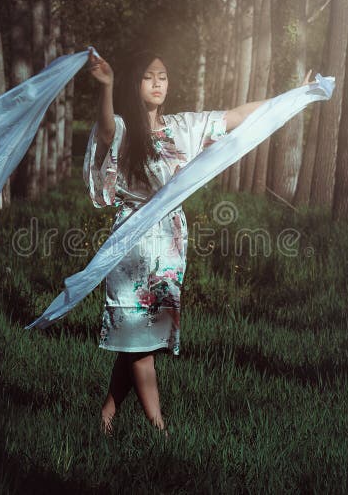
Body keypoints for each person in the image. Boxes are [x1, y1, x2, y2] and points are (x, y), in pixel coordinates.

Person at [85, 48, 312, 437]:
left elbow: (238, 115)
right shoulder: (123, 128)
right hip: (132, 244)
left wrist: (291, 96)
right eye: (148, 77)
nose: (157, 83)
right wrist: (105, 88)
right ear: (134, 84)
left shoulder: (182, 127)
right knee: (139, 337)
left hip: (170, 242)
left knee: (144, 338)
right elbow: (106, 131)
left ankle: (106, 416)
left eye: (163, 76)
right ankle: (160, 430)